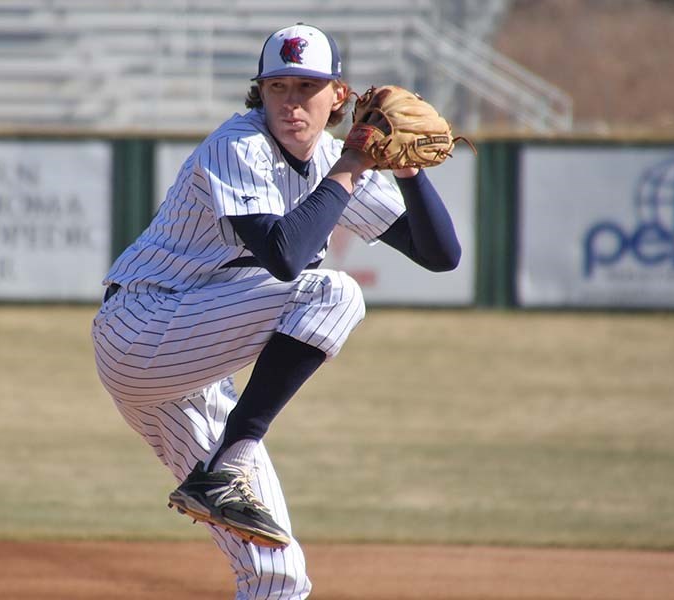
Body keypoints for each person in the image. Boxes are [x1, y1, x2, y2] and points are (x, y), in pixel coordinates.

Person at [91, 23, 461, 599]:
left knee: (276, 571)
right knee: (332, 293)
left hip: (195, 372)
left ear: (338, 96)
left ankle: (219, 475)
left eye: (307, 87)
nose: (291, 102)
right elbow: (285, 257)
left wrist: (409, 172)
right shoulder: (240, 145)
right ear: (259, 93)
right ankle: (228, 465)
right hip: (141, 327)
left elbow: (440, 255)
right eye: (278, 87)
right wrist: (353, 163)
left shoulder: (333, 160)